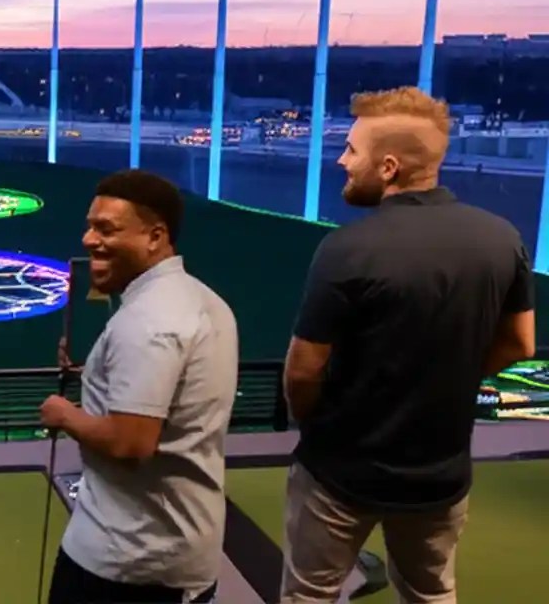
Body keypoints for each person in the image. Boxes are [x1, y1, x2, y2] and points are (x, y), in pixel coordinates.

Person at [281, 86, 535, 603]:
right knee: (430, 594)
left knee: (309, 596)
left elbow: (303, 373)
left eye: (352, 149)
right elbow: (520, 343)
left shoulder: (345, 249)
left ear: (389, 166)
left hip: (339, 472)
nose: (341, 159)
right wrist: (448, 380)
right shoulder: (502, 237)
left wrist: (320, 426)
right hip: (440, 475)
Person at [39, 170, 239, 604]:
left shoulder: (148, 322)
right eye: (91, 225)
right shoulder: (203, 300)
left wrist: (63, 413)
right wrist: (94, 374)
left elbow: (132, 442)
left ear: (155, 236)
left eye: (106, 229)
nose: (89, 240)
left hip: (126, 560)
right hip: (180, 551)